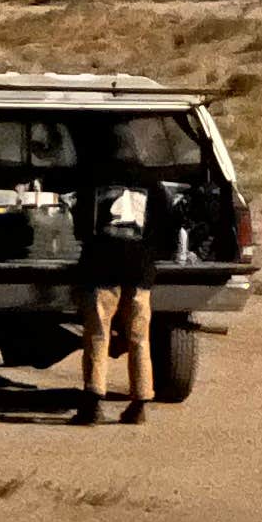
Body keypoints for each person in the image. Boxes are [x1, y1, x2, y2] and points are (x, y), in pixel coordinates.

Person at [76, 181, 154, 427]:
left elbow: (80, 226)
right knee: (140, 338)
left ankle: (93, 402)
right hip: (140, 269)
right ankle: (140, 403)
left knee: (98, 335)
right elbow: (165, 223)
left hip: (102, 267)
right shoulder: (151, 183)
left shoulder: (96, 181)